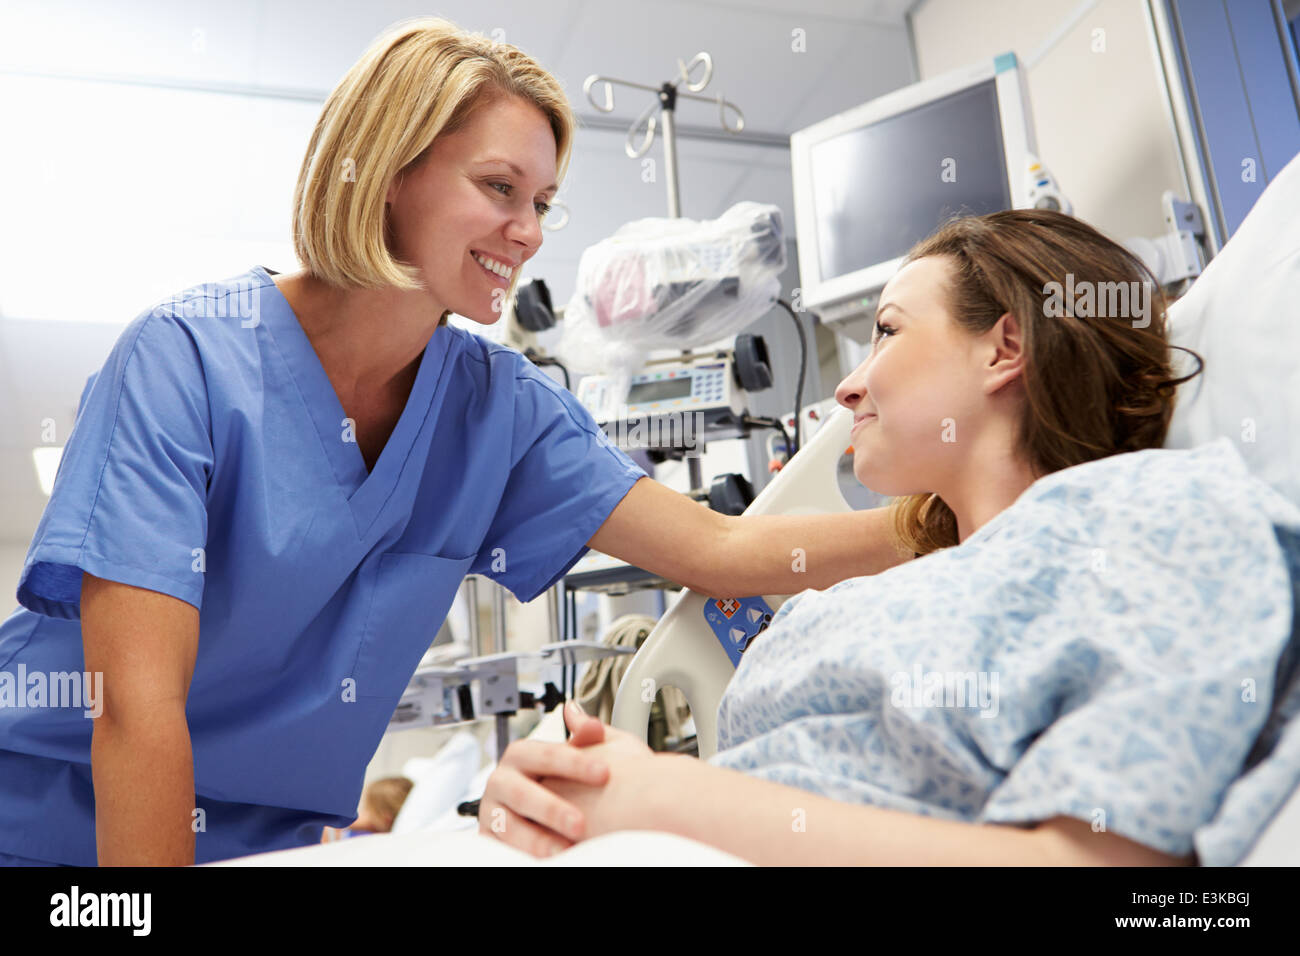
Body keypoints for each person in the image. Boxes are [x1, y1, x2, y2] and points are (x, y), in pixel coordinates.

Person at [0, 18, 904, 867]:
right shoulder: (185, 361)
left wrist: (957, 516)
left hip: (263, 846)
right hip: (48, 820)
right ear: (388, 171)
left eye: (543, 201)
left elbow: (724, 548)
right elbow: (139, 709)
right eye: (499, 188)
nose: (531, 231)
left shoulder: (496, 409)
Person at [479, 209, 1300, 865]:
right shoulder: (865, 599)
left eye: (887, 330)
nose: (846, 385)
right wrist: (561, 785)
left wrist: (658, 799)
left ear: (1004, 347)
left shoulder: (1153, 517)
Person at [321, 777, 413, 841]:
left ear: (387, 819)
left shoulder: (370, 839)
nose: (365, 813)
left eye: (368, 809)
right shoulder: (370, 826)